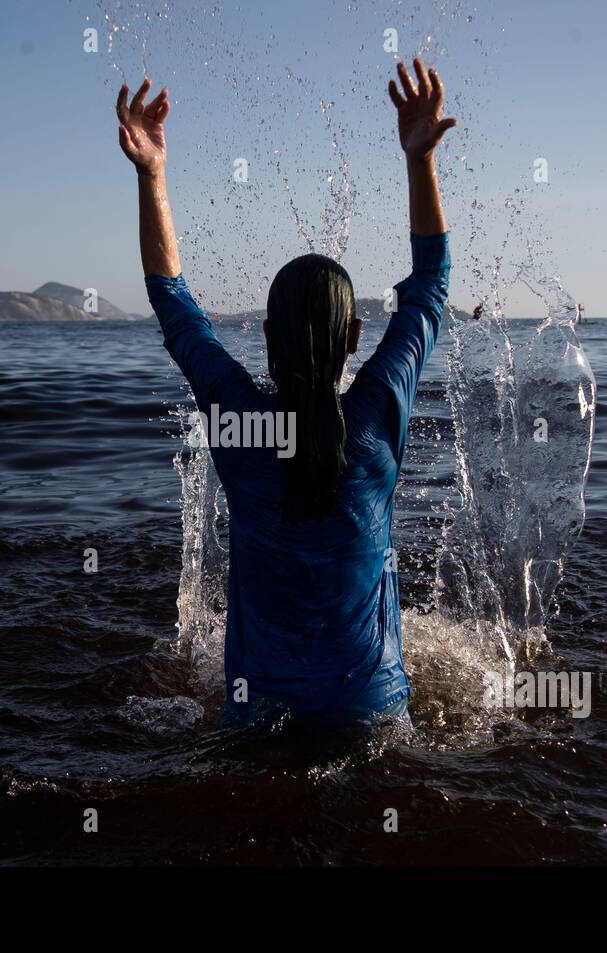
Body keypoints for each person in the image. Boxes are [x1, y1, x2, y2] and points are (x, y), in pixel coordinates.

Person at [116, 58, 456, 730]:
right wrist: (419, 161)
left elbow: (173, 303)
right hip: (374, 719)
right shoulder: (377, 412)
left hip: (256, 723)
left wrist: (152, 175)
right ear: (354, 335)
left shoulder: (241, 427)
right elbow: (431, 286)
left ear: (268, 332)